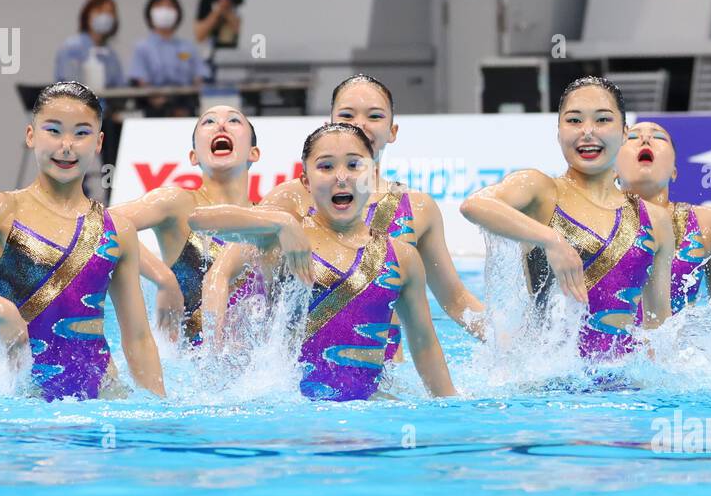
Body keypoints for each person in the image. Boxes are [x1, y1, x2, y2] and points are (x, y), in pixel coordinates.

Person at [184, 74, 486, 353]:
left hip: (381, 375)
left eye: (375, 116)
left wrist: (512, 344)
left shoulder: (419, 209)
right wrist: (216, 355)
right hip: (302, 375)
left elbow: (456, 300)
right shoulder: (295, 196)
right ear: (331, 123)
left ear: (392, 131)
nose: (361, 124)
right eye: (347, 115)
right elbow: (223, 271)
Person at [0, 82, 165, 400]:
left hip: (102, 398)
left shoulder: (118, 230)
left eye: (82, 133)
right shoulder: (1, 209)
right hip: (25, 401)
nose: (67, 146)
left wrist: (160, 414)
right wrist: (2, 310)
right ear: (31, 135)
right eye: (54, 131)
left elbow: (139, 338)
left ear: (99, 143)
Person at [202, 123, 457, 402]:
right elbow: (202, 219)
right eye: (325, 167)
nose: (341, 177)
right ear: (306, 182)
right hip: (295, 416)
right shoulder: (285, 240)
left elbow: (424, 344)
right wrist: (283, 222)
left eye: (353, 165)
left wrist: (450, 405)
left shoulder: (402, 257)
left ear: (372, 175)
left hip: (370, 413)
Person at [460, 77, 675, 360]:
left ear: (624, 133)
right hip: (549, 391)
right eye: (574, 121)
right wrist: (550, 239)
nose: (587, 132)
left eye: (602, 120)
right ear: (558, 132)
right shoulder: (541, 190)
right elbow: (475, 205)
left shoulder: (655, 220)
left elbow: (659, 327)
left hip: (625, 392)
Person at [110, 105, 262, 344]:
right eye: (208, 122)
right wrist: (162, 277)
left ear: (254, 153)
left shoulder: (268, 221)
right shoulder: (177, 204)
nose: (221, 125)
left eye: (234, 121)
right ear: (194, 156)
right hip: (186, 371)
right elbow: (100, 223)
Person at [616, 120, 711, 317]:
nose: (645, 139)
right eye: (632, 137)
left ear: (674, 171)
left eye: (658, 137)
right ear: (613, 169)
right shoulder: (596, 220)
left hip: (676, 346)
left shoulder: (707, 223)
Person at [54, 0, 126, 173]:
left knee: (118, 130)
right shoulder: (72, 47)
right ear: (87, 14)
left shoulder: (110, 53)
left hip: (104, 116)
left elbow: (119, 86)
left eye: (110, 12)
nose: (105, 16)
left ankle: (112, 189)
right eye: (100, 11)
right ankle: (75, 191)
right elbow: (67, 84)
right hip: (76, 115)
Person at [130, 0, 208, 118]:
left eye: (170, 6)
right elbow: (140, 81)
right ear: (150, 13)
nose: (165, 10)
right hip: (154, 109)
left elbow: (199, 78)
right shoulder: (142, 47)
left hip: (186, 106)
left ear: (177, 13)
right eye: (159, 6)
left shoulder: (188, 47)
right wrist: (161, 103)